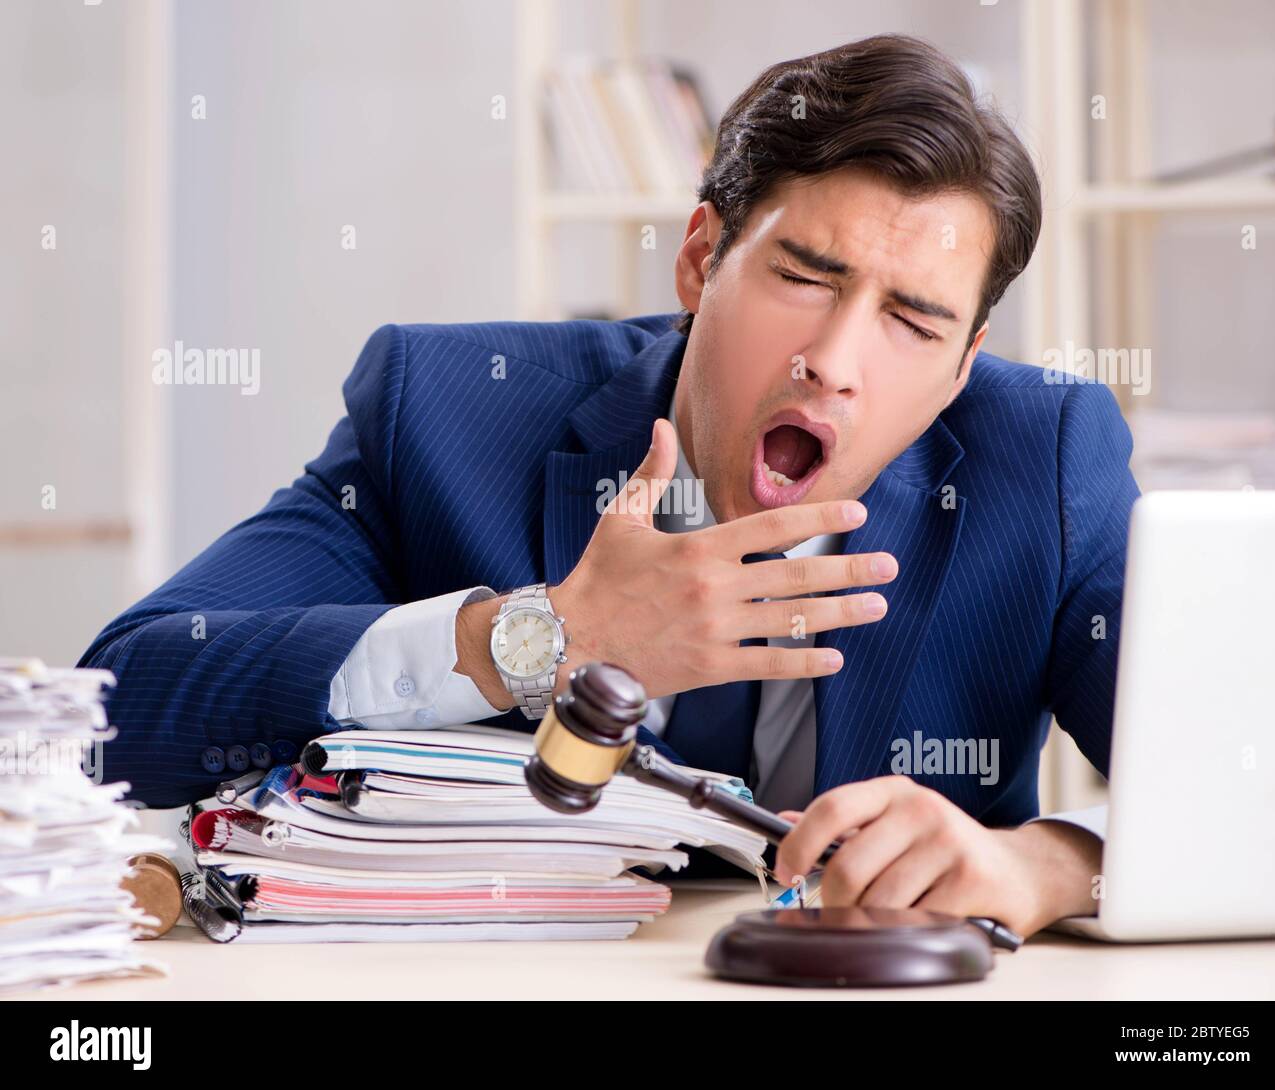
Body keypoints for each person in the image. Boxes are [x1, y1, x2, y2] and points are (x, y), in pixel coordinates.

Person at [81, 34, 1137, 937]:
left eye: (912, 323)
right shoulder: (445, 413)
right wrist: (538, 638)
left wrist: (1043, 867)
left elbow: (1257, 792)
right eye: (803, 277)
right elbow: (111, 713)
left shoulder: (1041, 460)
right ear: (699, 258)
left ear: (963, 362)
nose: (837, 359)